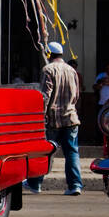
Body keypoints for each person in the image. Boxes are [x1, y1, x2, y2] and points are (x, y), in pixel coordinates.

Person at [29, 41, 81, 196]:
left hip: (53, 119)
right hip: (71, 118)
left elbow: (45, 95)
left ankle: (35, 183)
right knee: (72, 152)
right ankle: (75, 185)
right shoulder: (72, 70)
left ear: (49, 54)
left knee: (45, 153)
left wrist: (40, 114)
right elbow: (76, 95)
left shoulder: (48, 70)